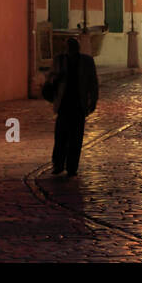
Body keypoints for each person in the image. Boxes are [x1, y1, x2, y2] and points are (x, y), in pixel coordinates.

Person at [44, 36, 99, 178]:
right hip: (63, 103)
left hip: (78, 104)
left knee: (76, 138)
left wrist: (93, 100)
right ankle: (58, 164)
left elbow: (93, 82)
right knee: (60, 136)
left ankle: (72, 166)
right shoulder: (59, 60)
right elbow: (50, 78)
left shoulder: (87, 61)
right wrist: (57, 78)